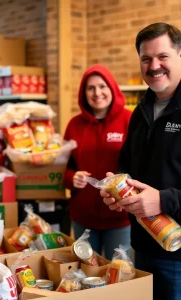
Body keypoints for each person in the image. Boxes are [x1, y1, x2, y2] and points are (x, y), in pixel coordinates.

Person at [101, 22, 181, 300]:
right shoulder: (139, 112)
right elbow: (127, 164)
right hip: (142, 247)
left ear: (180, 55)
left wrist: (163, 200)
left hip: (178, 256)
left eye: (163, 57)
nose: (154, 65)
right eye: (146, 59)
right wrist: (118, 188)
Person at [63, 64, 132, 260]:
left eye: (102, 86)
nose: (97, 93)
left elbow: (141, 165)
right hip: (82, 217)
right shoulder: (74, 125)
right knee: (85, 275)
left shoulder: (129, 120)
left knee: (119, 275)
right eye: (90, 88)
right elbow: (64, 169)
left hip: (120, 217)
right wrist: (72, 177)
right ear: (83, 93)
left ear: (112, 88)